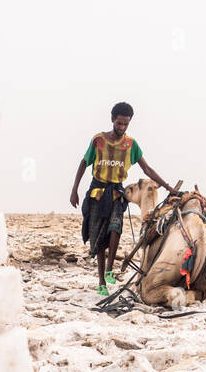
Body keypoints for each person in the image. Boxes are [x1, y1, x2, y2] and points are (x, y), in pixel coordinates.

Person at [69, 102, 177, 294]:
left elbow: (147, 168)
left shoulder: (130, 145)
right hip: (97, 192)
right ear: (112, 119)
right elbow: (84, 162)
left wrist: (168, 186)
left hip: (116, 192)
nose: (121, 127)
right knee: (100, 240)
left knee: (115, 228)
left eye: (125, 124)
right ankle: (101, 282)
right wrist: (74, 189)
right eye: (119, 123)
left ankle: (110, 270)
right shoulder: (98, 140)